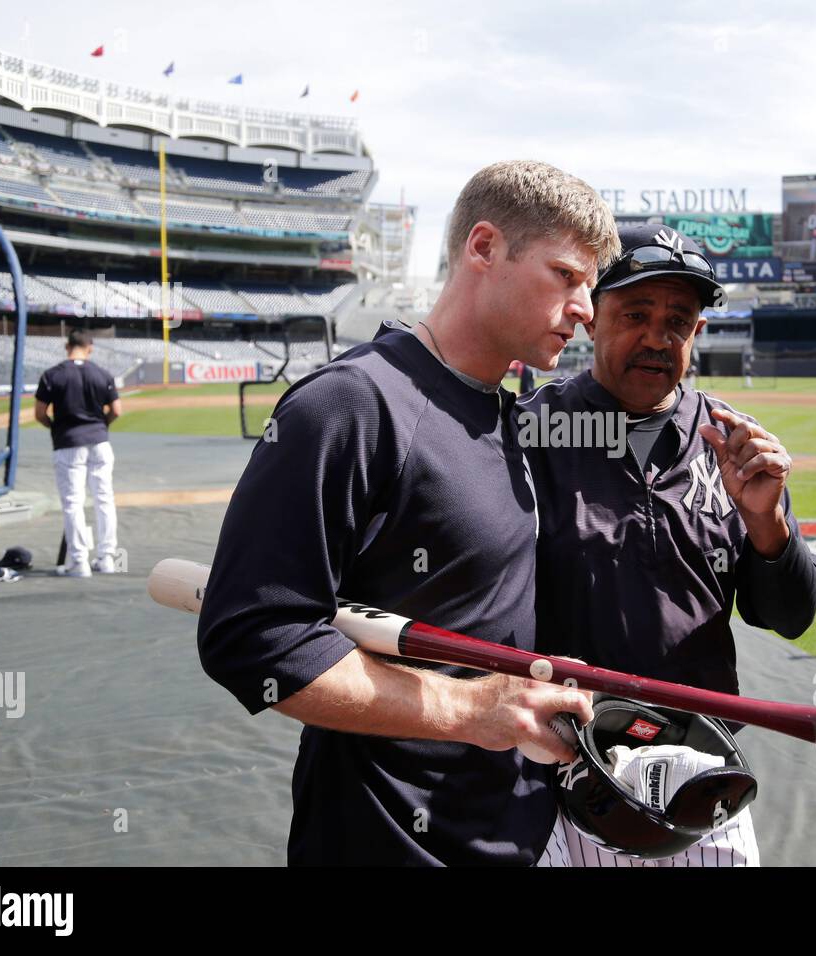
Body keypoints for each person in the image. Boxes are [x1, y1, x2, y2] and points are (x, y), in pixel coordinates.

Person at [195, 160, 619, 866]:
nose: (585, 308)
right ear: (483, 248)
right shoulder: (352, 404)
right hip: (384, 841)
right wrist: (472, 710)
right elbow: (254, 639)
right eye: (567, 277)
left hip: (512, 833)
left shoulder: (507, 415)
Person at [519, 222, 816, 867]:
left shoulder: (732, 444)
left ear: (698, 334)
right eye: (635, 313)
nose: (656, 338)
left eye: (678, 321)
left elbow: (789, 615)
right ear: (592, 317)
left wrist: (767, 524)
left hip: (699, 771)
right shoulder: (531, 435)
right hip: (569, 769)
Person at [34, 328, 122, 577]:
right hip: (100, 443)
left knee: (73, 503)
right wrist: (101, 427)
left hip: (68, 443)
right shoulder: (102, 374)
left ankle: (79, 562)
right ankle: (107, 559)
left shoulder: (52, 375)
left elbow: (40, 414)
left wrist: (56, 428)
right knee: (104, 499)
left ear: (67, 346)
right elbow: (116, 410)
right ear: (90, 347)